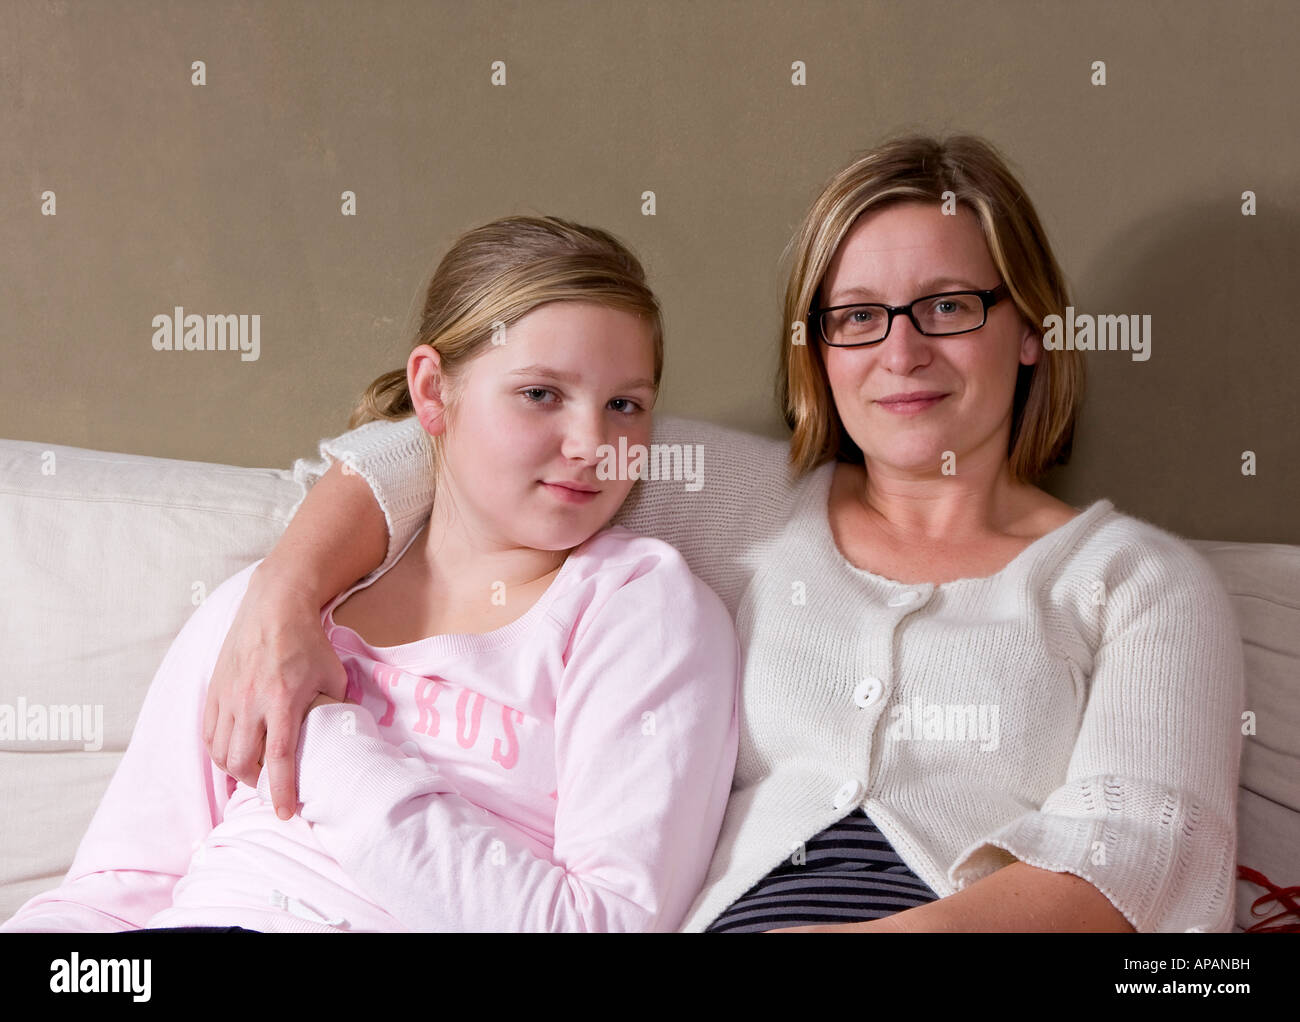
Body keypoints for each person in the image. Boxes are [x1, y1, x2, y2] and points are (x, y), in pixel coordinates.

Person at [199, 135, 1246, 934]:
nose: (902, 350)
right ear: (819, 347)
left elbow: (1140, 852)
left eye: (949, 305)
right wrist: (283, 598)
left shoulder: (1136, 581)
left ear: (1028, 328)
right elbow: (443, 449)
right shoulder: (752, 498)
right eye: (857, 315)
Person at [1, 216, 740, 933]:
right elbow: (116, 891)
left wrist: (324, 741)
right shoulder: (269, 617)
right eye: (540, 394)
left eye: (626, 405)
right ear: (431, 391)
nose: (590, 444)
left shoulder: (637, 607)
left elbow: (604, 925)